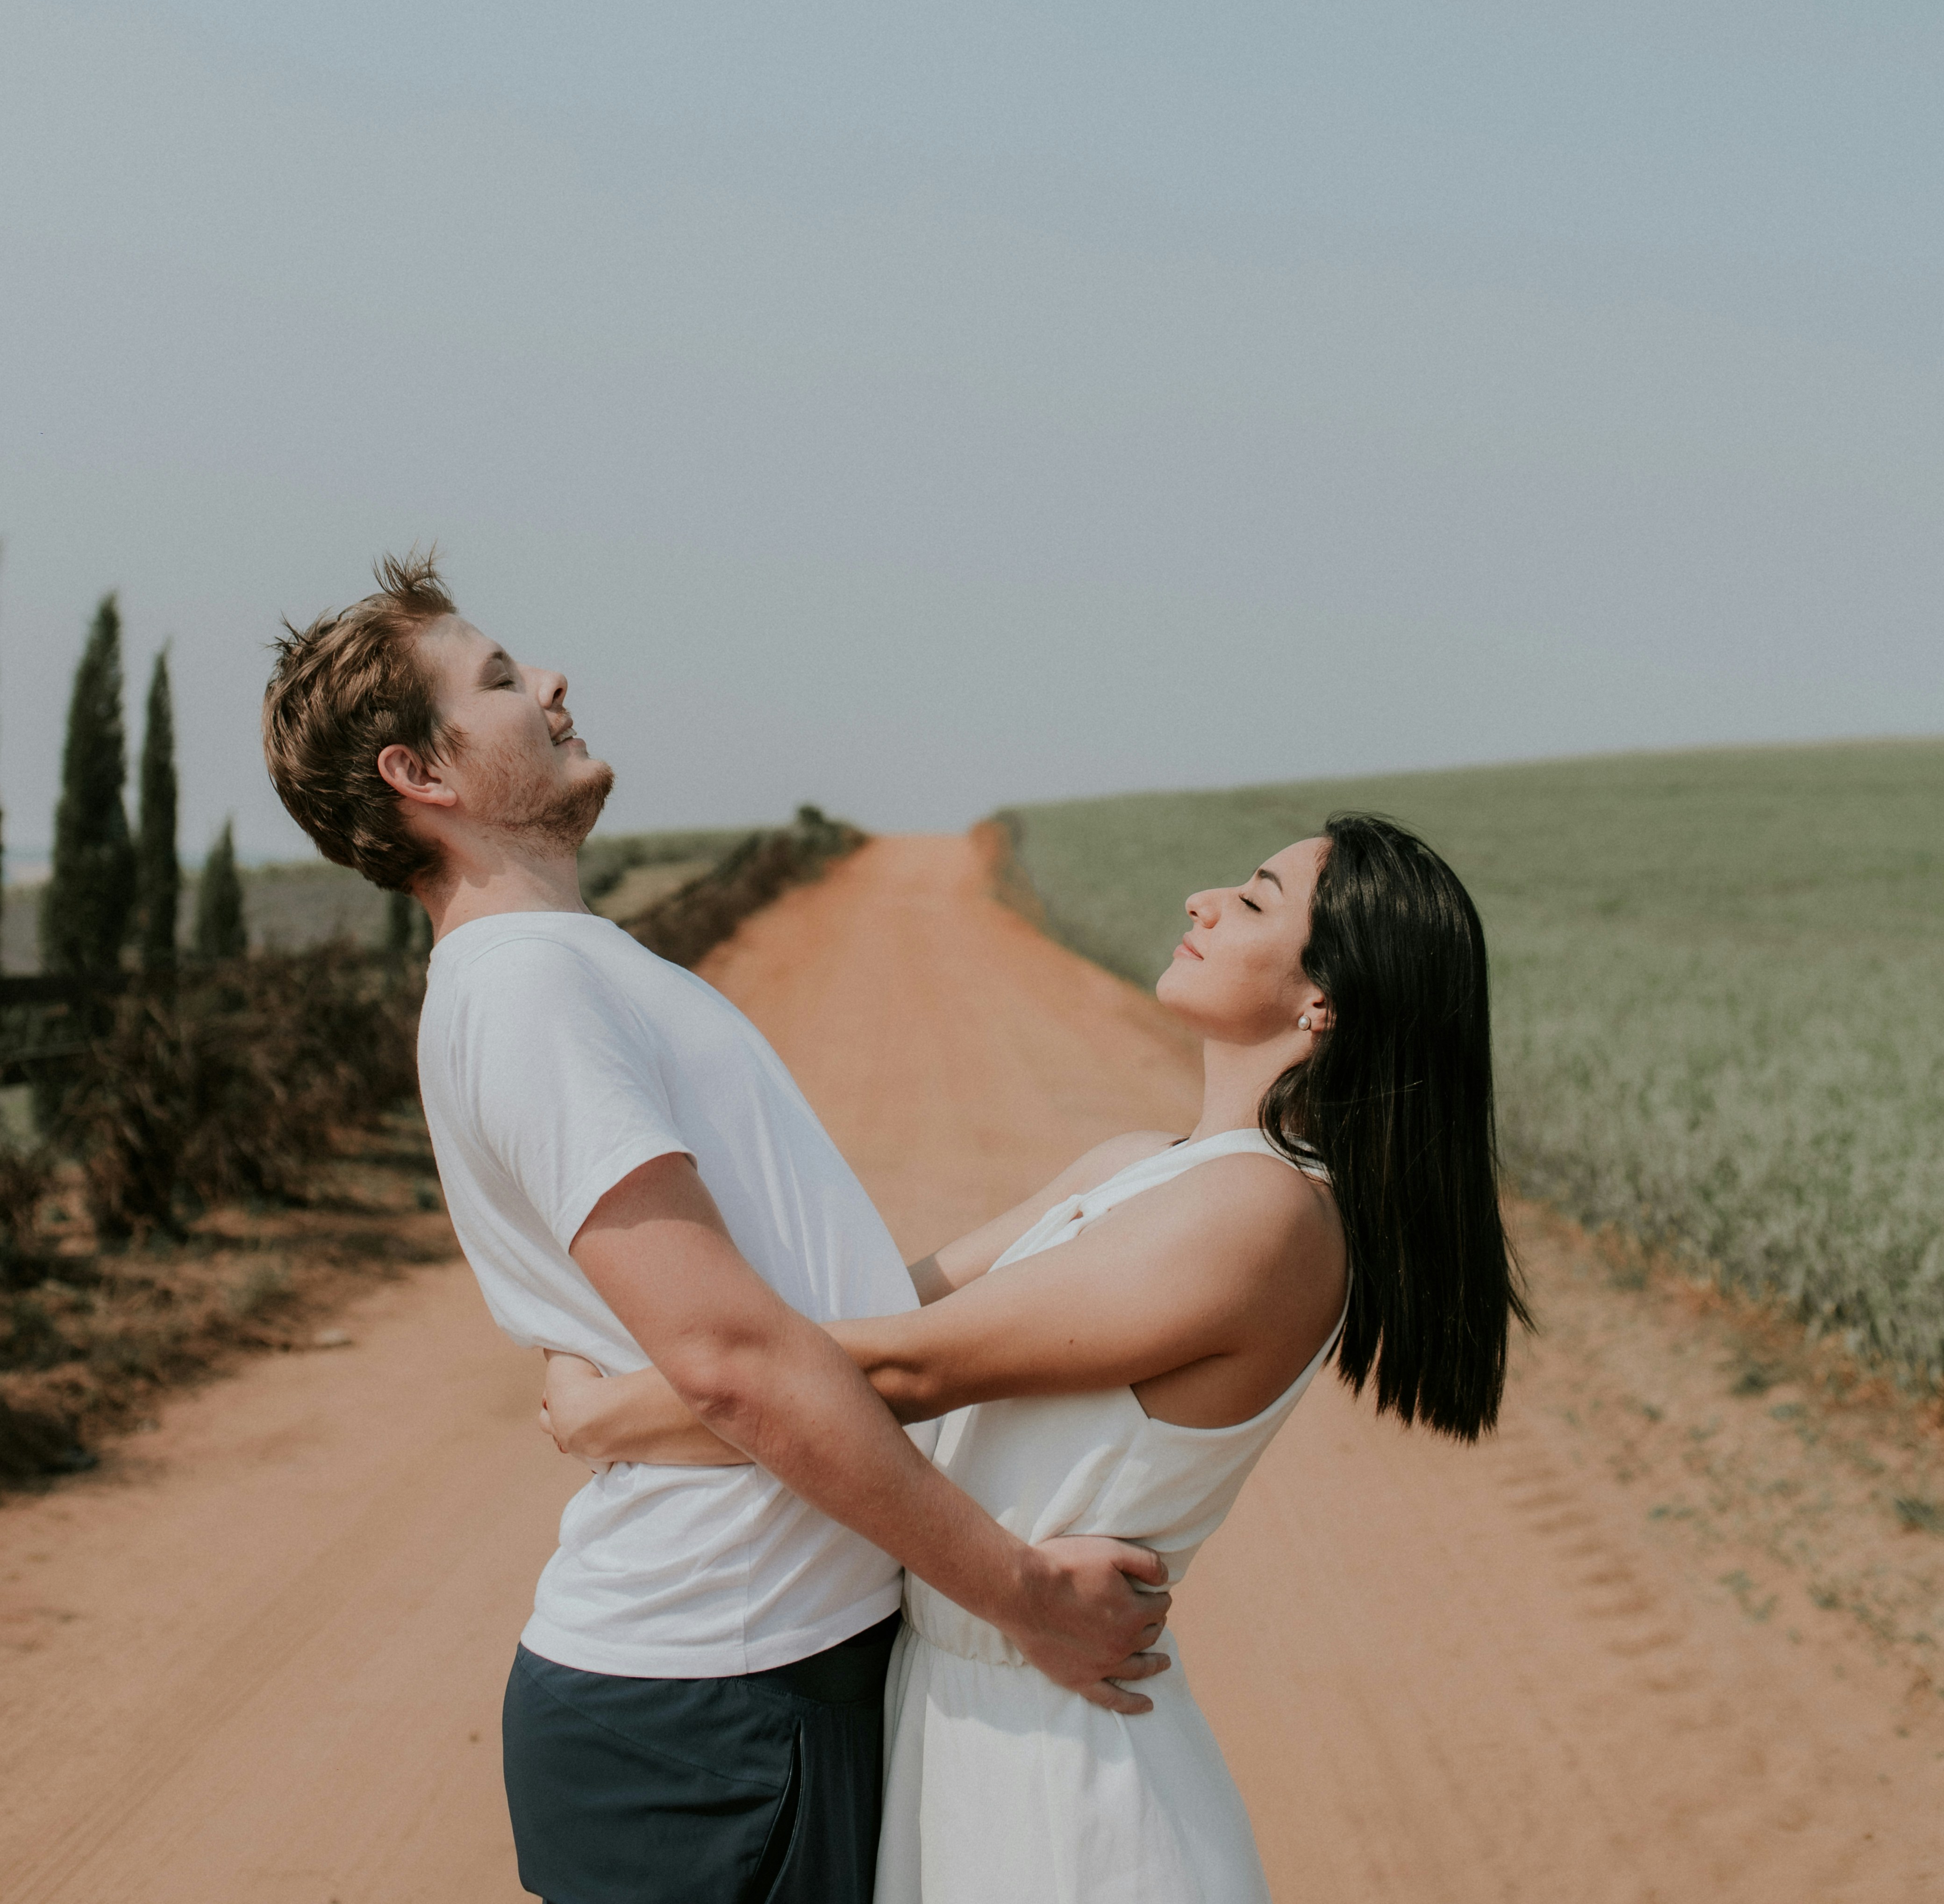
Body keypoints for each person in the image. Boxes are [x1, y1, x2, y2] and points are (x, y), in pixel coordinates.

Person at [260, 555, 1170, 1904]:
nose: (554, 680)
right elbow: (737, 1360)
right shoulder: (525, 994)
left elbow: (808, 1311)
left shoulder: (578, 970)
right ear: (423, 778)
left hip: (750, 1686)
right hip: (715, 1709)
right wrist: (1022, 1594)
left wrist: (1069, 1206)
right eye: (503, 679)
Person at [543, 809, 1531, 1904]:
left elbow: (897, 1370)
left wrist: (607, 1417)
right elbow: (866, 1310)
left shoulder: (1265, 1212)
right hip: (959, 1716)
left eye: (1252, 900)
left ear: (1323, 1000)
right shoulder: (1137, 1165)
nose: (1201, 901)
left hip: (1063, 1767)